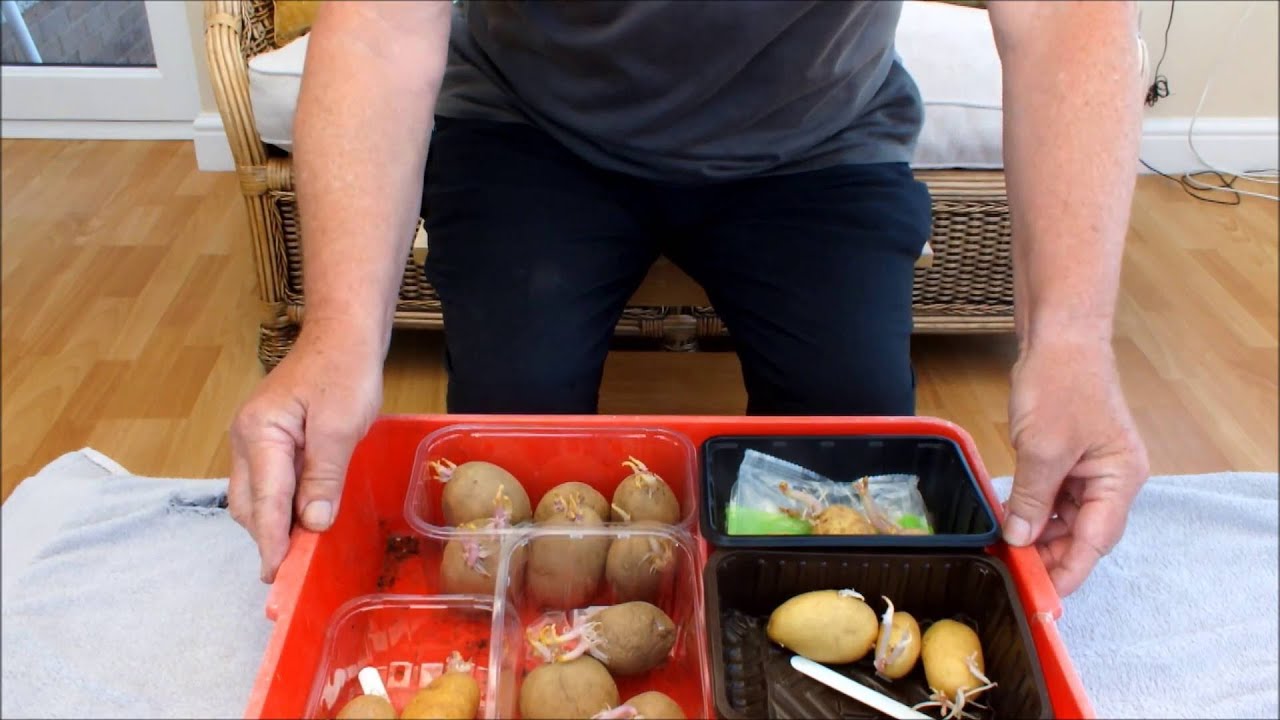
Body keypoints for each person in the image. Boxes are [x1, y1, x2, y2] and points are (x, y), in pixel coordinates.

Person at [228, 0, 1150, 598]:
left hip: (813, 143)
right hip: (532, 128)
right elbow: (381, 27)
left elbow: (1065, 17)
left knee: (849, 465)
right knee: (513, 453)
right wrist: (339, 333)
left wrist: (1071, 339)